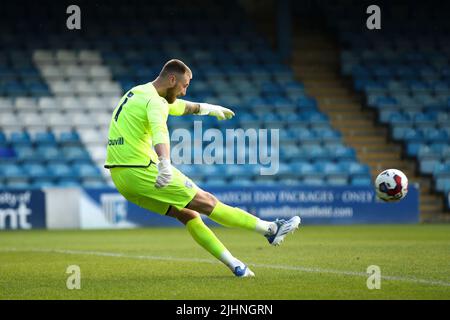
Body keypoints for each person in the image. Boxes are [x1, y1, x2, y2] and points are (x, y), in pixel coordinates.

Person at [105, 59, 301, 277]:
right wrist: (165, 164)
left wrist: (207, 108)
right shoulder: (156, 102)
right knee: (207, 202)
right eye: (184, 85)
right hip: (140, 168)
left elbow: (178, 107)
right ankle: (271, 230)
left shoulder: (139, 93)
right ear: (172, 79)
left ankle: (236, 265)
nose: (184, 90)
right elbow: (160, 130)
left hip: (120, 177)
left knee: (188, 214)